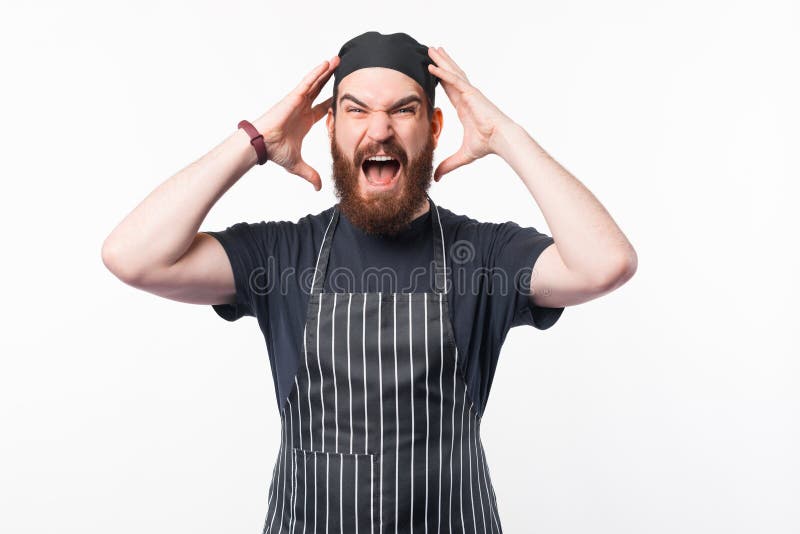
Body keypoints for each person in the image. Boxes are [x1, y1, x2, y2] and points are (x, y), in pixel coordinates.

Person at [102, 31, 637, 534]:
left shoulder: (486, 256)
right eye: (356, 110)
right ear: (330, 127)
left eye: (403, 110)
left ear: (434, 128)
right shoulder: (281, 254)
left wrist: (504, 136)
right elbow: (133, 257)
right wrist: (255, 140)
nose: (379, 131)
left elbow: (605, 264)